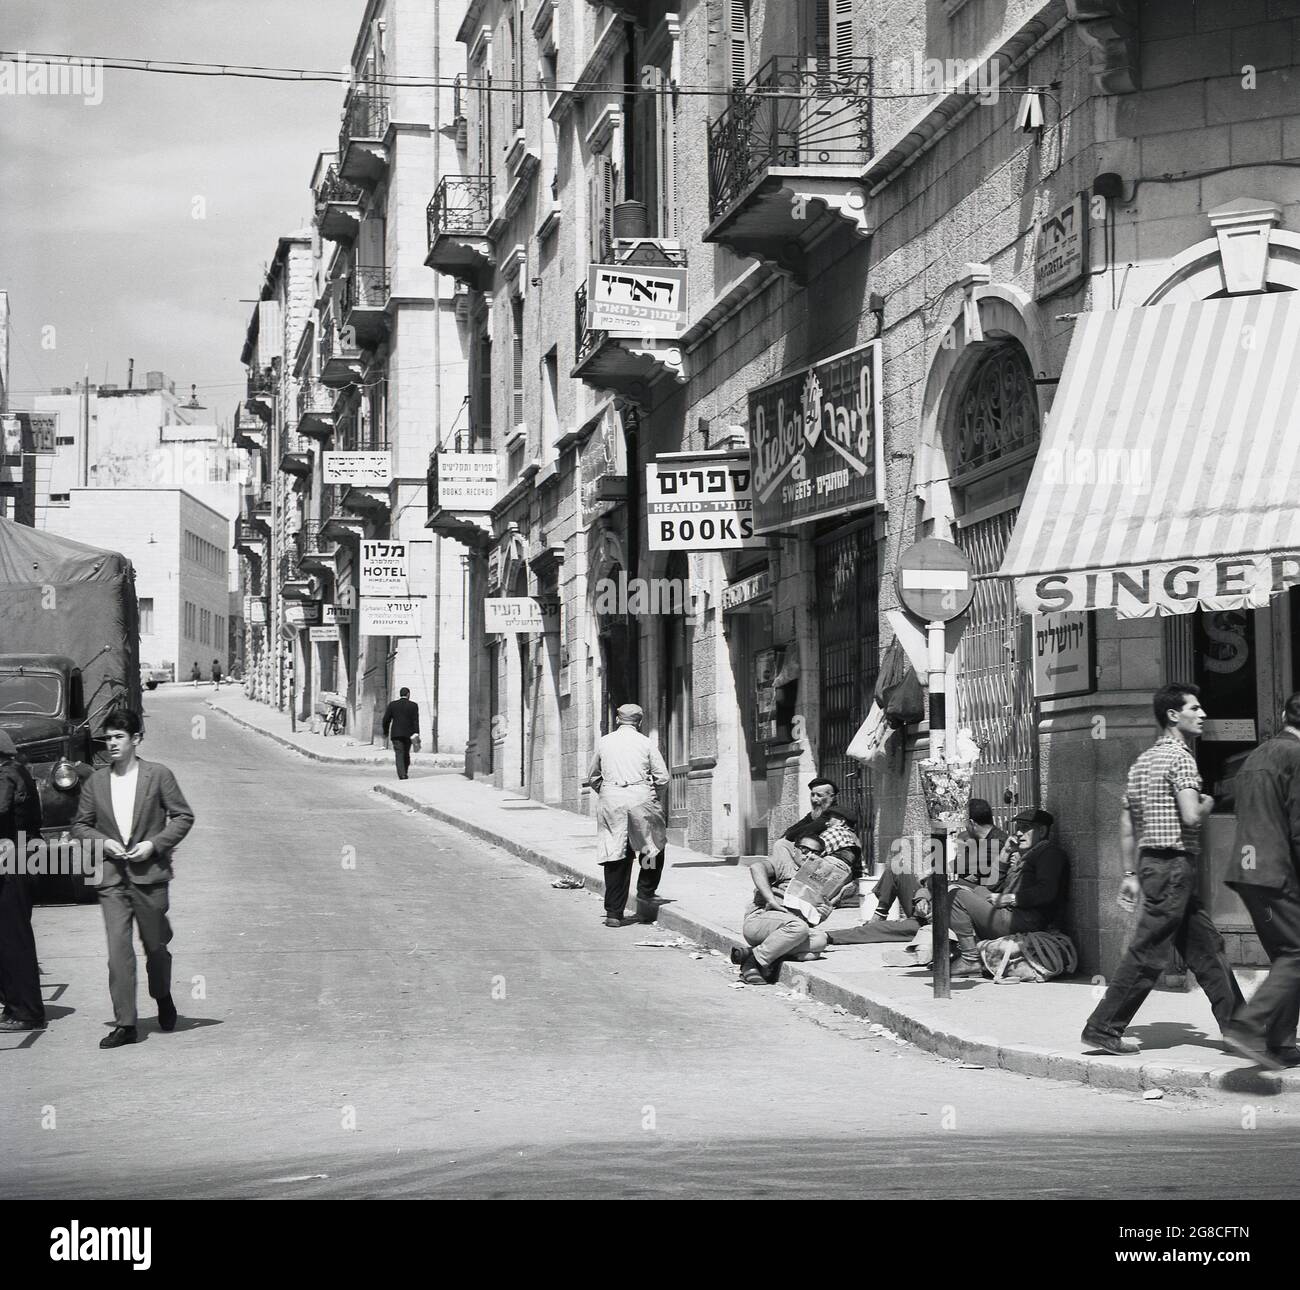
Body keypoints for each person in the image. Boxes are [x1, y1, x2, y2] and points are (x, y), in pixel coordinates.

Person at [1082, 683, 1245, 1056]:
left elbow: (1125, 823)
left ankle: (1240, 1028)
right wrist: (1208, 801)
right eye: (1195, 708)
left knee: (1208, 948)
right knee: (1149, 951)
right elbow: (1190, 814)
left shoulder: (1142, 762)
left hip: (1153, 865)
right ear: (1174, 715)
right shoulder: (1182, 758)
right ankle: (1103, 1026)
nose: (1202, 714)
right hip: (1174, 865)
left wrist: (1129, 875)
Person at [71, 708, 195, 1049]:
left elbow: (183, 816)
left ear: (136, 739)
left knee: (155, 947)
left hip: (150, 876)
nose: (111, 743)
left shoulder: (158, 776)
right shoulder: (96, 781)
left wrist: (153, 845)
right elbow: (80, 825)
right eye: (108, 737)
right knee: (117, 951)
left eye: (118, 737)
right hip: (112, 879)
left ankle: (163, 995)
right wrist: (103, 842)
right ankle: (126, 1024)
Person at [1220, 693, 1300, 1070]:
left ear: (1283, 714)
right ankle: (1248, 1026)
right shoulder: (1295, 756)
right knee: (1297, 954)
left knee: (1288, 955)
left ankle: (1281, 1043)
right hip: (1275, 870)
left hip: (1247, 869)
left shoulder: (1256, 755)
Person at [943, 807, 1069, 978]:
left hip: (1024, 921)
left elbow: (1046, 891)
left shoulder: (1049, 853)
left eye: (1025, 828)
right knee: (964, 888)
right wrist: (1005, 854)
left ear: (1042, 831)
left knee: (955, 897)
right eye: (1017, 828)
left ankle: (970, 958)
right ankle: (972, 948)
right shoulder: (1027, 854)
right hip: (1011, 915)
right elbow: (991, 886)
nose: (1018, 833)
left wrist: (1010, 899)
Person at [587, 703, 669, 927]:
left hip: (611, 798)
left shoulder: (604, 742)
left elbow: (593, 775)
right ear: (640, 722)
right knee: (650, 847)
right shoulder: (646, 743)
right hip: (640, 797)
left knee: (615, 853)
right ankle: (646, 890)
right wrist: (654, 796)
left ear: (616, 719)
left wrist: (607, 791)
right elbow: (662, 777)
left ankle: (614, 912)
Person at [734, 833, 854, 983]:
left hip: (788, 929)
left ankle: (757, 953)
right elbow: (756, 867)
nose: (808, 855)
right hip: (760, 920)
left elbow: (806, 924)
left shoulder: (816, 877)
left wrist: (821, 915)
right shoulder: (785, 864)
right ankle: (752, 963)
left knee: (820, 940)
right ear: (794, 850)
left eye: (815, 853)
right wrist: (771, 899)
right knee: (798, 927)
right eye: (804, 850)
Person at [875, 798, 1008, 924]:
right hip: (941, 899)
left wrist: (929, 874)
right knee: (896, 869)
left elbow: (957, 868)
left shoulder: (998, 843)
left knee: (941, 879)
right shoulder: (974, 841)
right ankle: (879, 915)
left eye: (964, 821)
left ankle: (922, 917)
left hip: (968, 906)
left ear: (971, 823)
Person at [0, 731, 46, 1033]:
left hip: (13, 863)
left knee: (13, 940)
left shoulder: (6, 776)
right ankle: (15, 1004)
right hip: (23, 859)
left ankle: (27, 1012)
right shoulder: (17, 771)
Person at [381, 687, 420, 781]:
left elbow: (386, 720)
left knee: (399, 754)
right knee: (406, 753)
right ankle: (405, 772)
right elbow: (415, 721)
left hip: (396, 734)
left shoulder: (392, 705)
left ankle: (402, 775)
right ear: (408, 694)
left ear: (400, 694)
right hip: (408, 734)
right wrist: (416, 734)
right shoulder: (413, 705)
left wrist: (385, 732)